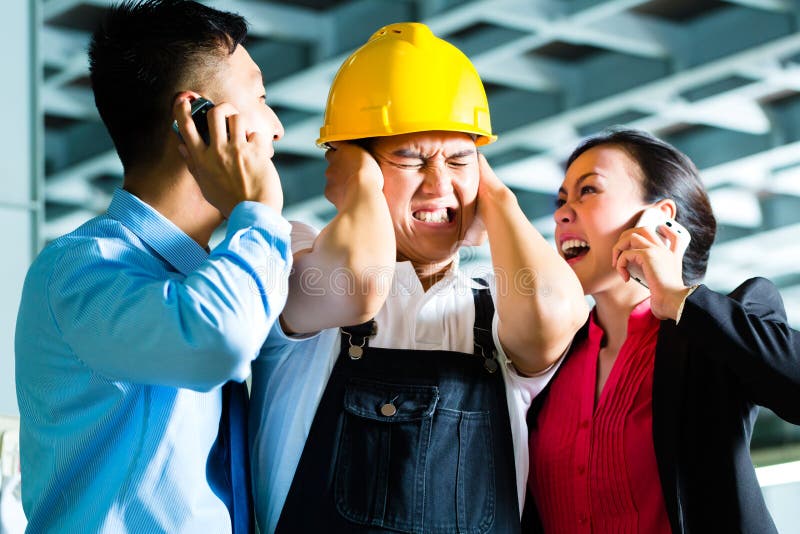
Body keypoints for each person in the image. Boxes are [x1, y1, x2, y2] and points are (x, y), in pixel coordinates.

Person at [249, 22, 589, 533]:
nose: (438, 183)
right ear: (349, 164)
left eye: (459, 158)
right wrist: (360, 182)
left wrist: (494, 197)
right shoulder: (293, 253)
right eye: (409, 157)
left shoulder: (499, 306)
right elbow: (357, 283)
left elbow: (550, 316)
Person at [15, 1, 292, 532]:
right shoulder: (80, 269)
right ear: (196, 116)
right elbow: (217, 339)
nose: (276, 128)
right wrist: (257, 212)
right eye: (260, 97)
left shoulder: (228, 270)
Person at [524, 128, 800, 533]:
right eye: (562, 200)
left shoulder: (720, 325)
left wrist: (675, 296)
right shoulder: (547, 357)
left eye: (588, 191)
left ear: (660, 218)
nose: (562, 213)